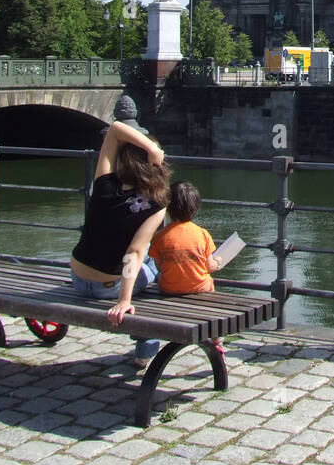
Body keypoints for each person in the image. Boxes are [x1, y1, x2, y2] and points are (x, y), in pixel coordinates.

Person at [70, 120, 171, 367]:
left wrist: (149, 147)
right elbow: (133, 253)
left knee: (143, 255)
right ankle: (145, 350)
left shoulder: (104, 184)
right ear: (154, 164)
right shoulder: (156, 205)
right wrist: (123, 302)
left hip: (78, 278)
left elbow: (115, 129)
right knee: (155, 266)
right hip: (107, 287)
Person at [148, 181, 224, 295]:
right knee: (207, 279)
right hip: (200, 289)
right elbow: (209, 267)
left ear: (167, 208)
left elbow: (159, 267)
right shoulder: (202, 234)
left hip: (169, 289)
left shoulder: (159, 236)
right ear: (195, 209)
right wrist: (218, 261)